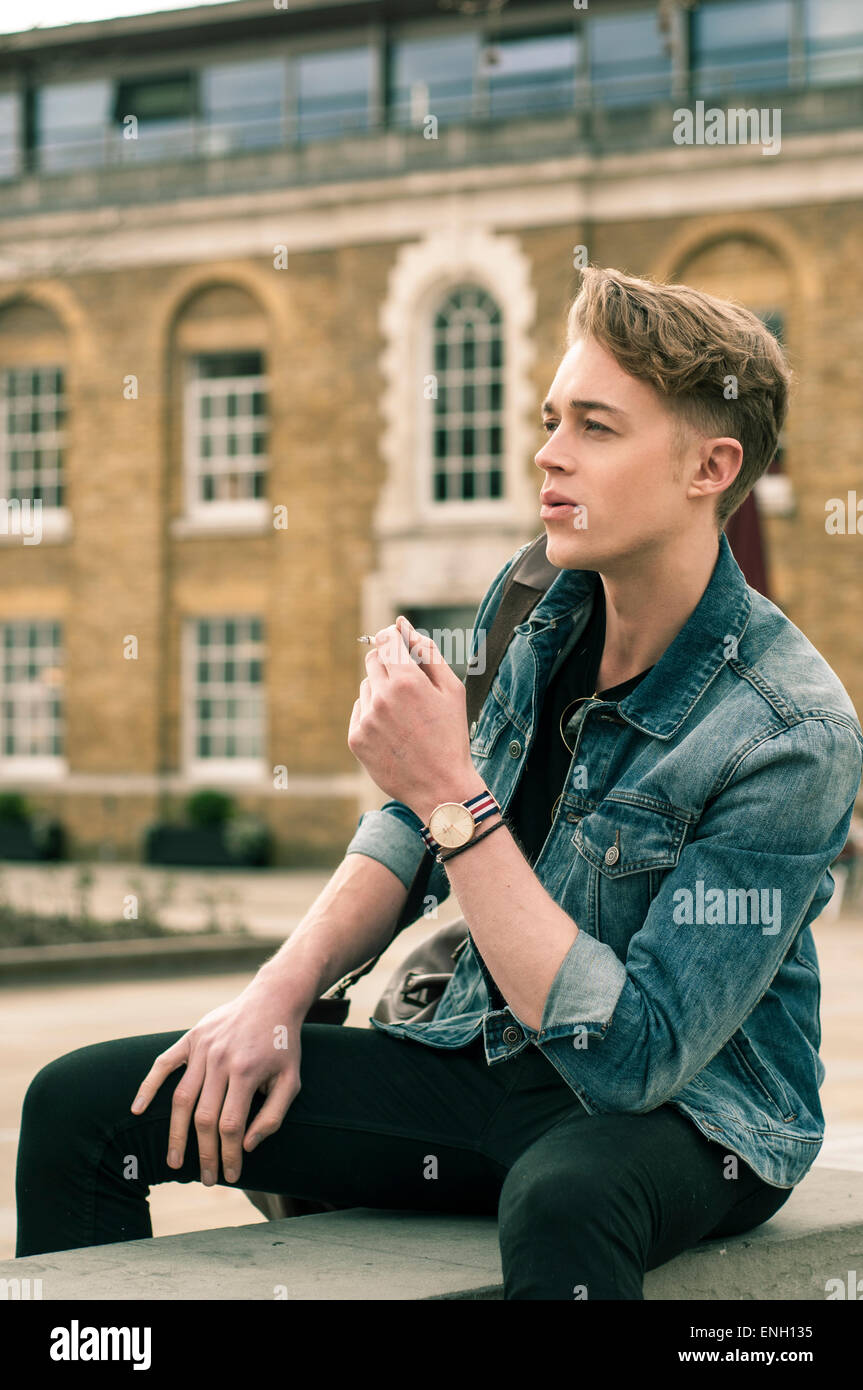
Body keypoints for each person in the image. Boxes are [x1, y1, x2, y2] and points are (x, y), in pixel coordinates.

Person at [16, 267, 862, 1301]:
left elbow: (633, 1052)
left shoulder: (790, 731)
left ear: (707, 465)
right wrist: (277, 996)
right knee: (84, 1109)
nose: (547, 453)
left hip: (688, 1117)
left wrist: (448, 791)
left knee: (564, 1202)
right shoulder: (537, 592)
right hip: (480, 1056)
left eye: (594, 426)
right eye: (552, 418)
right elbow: (413, 822)